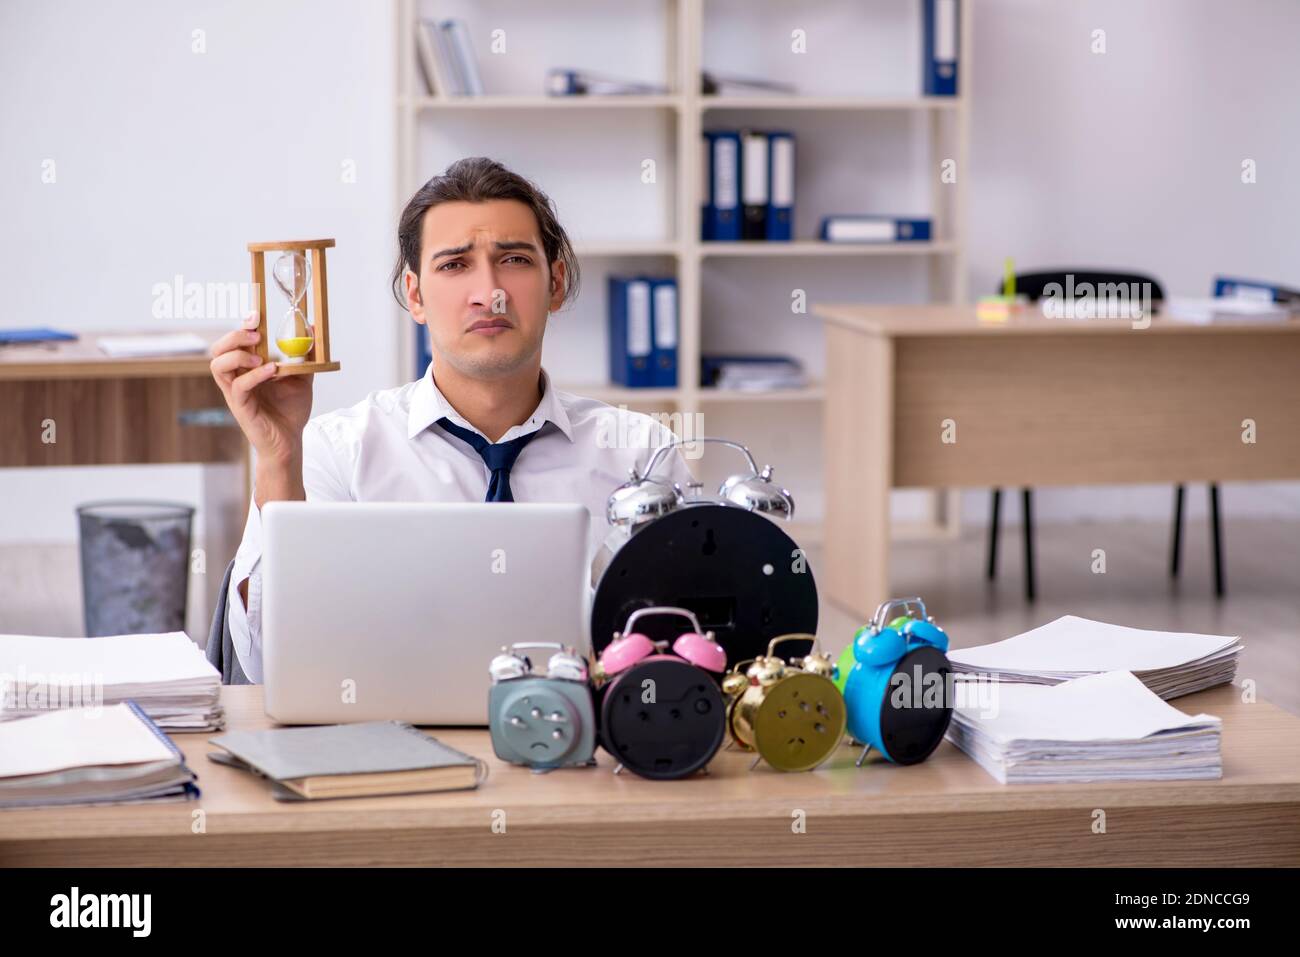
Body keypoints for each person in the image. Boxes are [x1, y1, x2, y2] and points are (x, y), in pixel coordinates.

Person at [209, 156, 690, 682]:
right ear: (415, 295)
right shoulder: (336, 452)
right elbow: (266, 665)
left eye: (514, 260)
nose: (490, 292)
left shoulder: (641, 455)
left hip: (580, 748)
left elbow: (684, 647)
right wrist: (278, 457)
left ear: (555, 284)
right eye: (455, 265)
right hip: (395, 749)